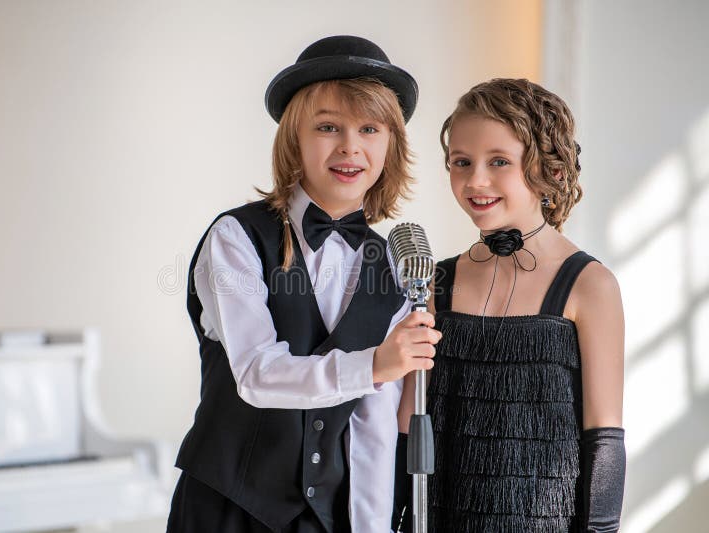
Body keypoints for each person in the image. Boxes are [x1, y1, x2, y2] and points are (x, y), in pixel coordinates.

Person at [167, 35, 441, 533]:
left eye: (369, 129)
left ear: (391, 145)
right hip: (226, 510)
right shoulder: (236, 237)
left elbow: (373, 426)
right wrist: (373, 365)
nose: (350, 146)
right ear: (294, 138)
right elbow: (256, 372)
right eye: (328, 127)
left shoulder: (397, 264)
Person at [393, 78, 626, 532]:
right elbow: (408, 419)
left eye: (498, 161)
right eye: (461, 162)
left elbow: (604, 440)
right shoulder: (435, 281)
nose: (475, 180)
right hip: (444, 515)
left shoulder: (589, 285)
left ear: (550, 169)